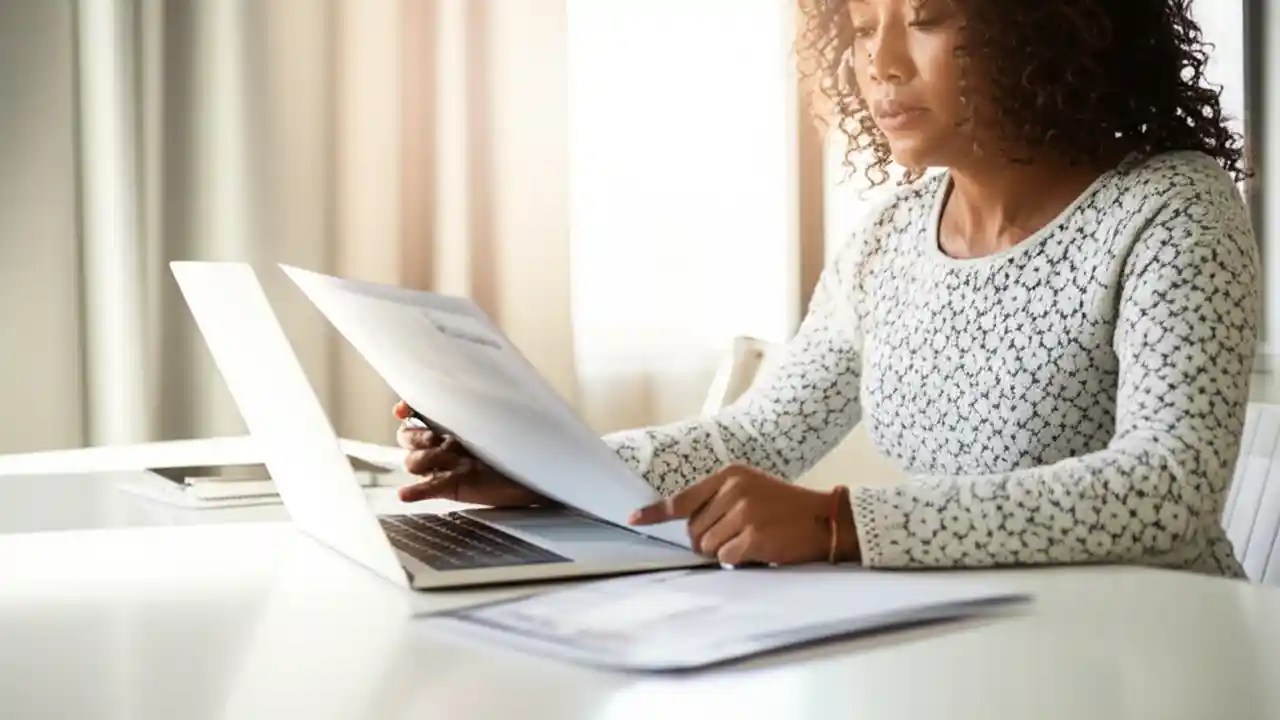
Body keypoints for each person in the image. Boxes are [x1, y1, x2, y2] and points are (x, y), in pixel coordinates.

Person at [394, 0, 1258, 576]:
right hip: (976, 648)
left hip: (1160, 654)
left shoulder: (1172, 208)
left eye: (925, 18)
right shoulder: (890, 236)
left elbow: (1167, 485)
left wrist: (841, 524)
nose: (878, 63)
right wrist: (541, 471)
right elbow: (763, 432)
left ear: (1045, 28)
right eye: (857, 24)